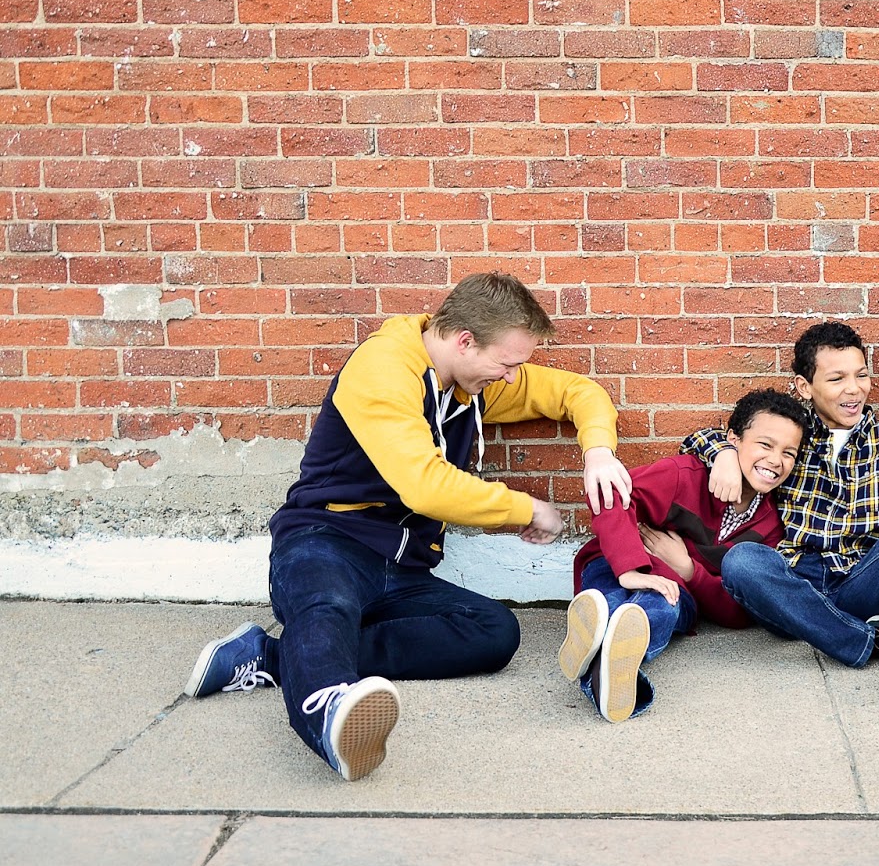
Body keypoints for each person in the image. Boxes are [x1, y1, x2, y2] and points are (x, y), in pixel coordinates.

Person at [182, 271, 630, 780]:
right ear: (464, 342)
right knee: (326, 605)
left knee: (493, 632)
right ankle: (328, 711)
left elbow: (578, 391)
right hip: (327, 540)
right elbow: (424, 486)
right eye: (507, 363)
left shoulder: (468, 382)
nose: (512, 378)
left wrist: (597, 450)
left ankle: (271, 655)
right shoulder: (384, 367)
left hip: (404, 569)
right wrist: (527, 510)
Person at [683, 322, 879, 721]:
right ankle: (869, 640)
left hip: (864, 580)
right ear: (805, 387)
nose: (853, 388)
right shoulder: (792, 435)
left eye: (861, 375)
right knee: (741, 562)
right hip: (796, 586)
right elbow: (708, 439)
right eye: (837, 378)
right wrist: (722, 452)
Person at [560, 388, 808, 723]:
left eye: (789, 453)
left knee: (662, 605)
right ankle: (599, 632)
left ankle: (598, 650)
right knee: (609, 597)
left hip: (677, 586)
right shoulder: (685, 476)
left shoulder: (772, 529)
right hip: (613, 562)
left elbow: (739, 610)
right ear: (732, 440)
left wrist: (689, 570)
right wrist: (630, 568)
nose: (776, 460)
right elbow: (613, 494)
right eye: (765, 445)